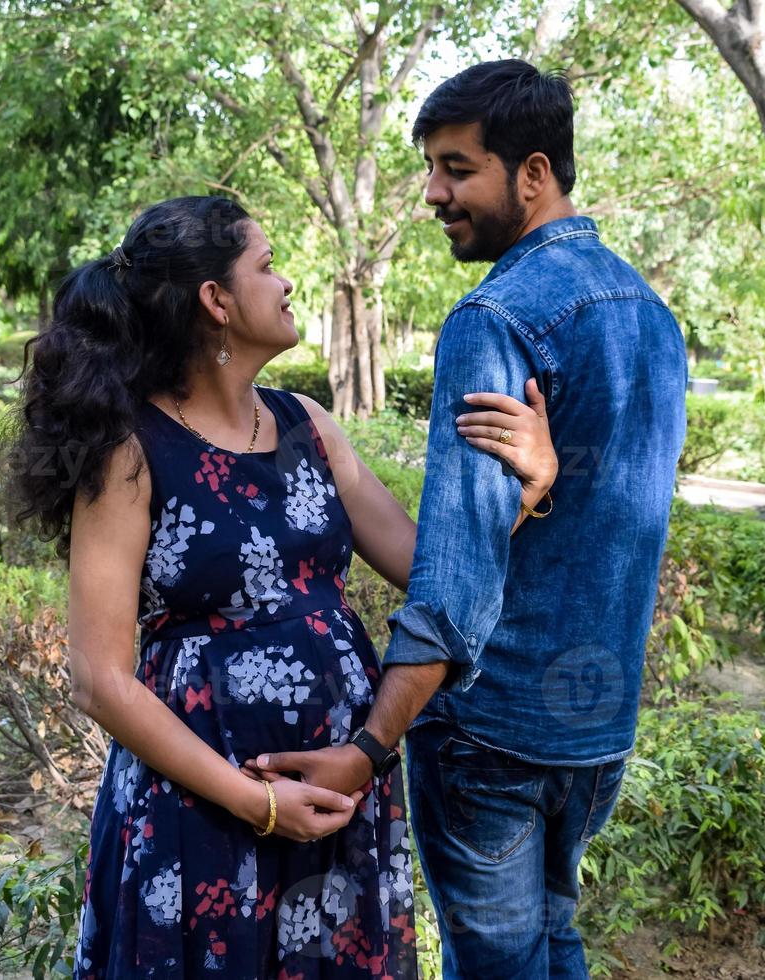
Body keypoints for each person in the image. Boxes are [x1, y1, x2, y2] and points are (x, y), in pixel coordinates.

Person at [4, 195, 557, 978]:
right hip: (204, 809)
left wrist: (529, 491)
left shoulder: (308, 424)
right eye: (267, 265)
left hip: (334, 798)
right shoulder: (131, 450)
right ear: (216, 301)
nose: (289, 281)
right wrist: (255, 802)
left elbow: (426, 564)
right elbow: (98, 678)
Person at [248, 61, 689, 978]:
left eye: (456, 169)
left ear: (532, 174)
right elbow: (610, 522)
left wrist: (371, 744)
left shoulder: (494, 319)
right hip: (597, 728)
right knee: (553, 941)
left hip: (494, 726)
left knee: (499, 965)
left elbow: (454, 579)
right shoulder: (651, 315)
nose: (433, 195)